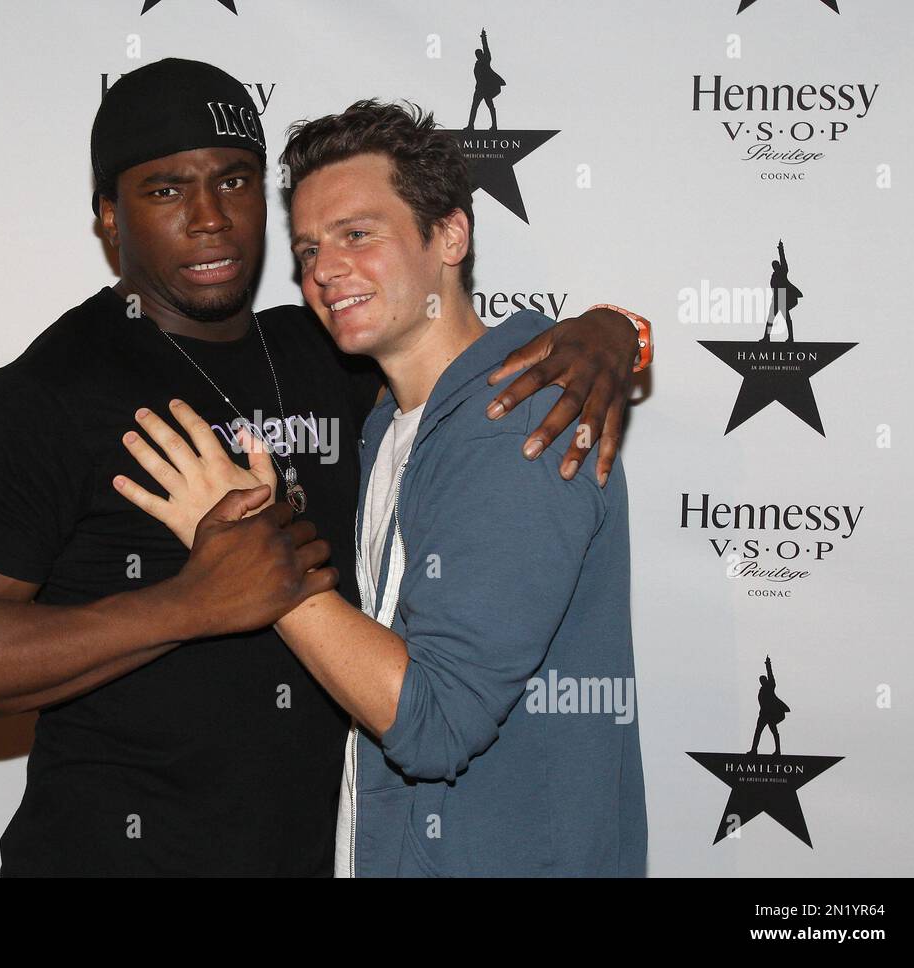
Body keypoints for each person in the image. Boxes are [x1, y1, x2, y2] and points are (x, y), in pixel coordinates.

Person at [0, 59, 648, 876]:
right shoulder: (47, 395)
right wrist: (187, 603)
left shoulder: (332, 354)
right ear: (109, 216)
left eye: (234, 182)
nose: (209, 218)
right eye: (166, 191)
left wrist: (609, 330)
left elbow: (450, 349)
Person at [115, 99, 647, 876]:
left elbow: (434, 724)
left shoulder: (516, 426)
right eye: (307, 248)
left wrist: (253, 559)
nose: (325, 270)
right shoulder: (385, 421)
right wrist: (618, 326)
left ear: (451, 237)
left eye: (358, 234)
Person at [760, 239, 801, 342]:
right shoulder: (773, 276)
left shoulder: (783, 271)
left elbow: (783, 259)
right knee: (771, 318)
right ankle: (767, 337)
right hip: (776, 298)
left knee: (786, 318)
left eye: (776, 265)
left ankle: (791, 337)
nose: (775, 267)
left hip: (783, 297)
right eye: (773, 266)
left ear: (778, 265)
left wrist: (781, 249)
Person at [749, 655, 790, 756]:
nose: (762, 682)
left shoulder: (770, 685)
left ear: (766, 680)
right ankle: (754, 750)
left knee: (774, 731)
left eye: (763, 680)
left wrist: (768, 664)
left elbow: (770, 673)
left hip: (772, 714)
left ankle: (778, 751)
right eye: (760, 681)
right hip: (763, 714)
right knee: (758, 732)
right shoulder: (761, 690)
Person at [467, 28, 505, 131]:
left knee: (490, 107)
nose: (478, 55)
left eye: (479, 54)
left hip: (487, 88)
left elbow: (485, 47)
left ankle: (494, 126)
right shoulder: (477, 64)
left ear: (482, 54)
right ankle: (470, 125)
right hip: (479, 88)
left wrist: (483, 37)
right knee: (474, 107)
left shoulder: (486, 59)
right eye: (476, 54)